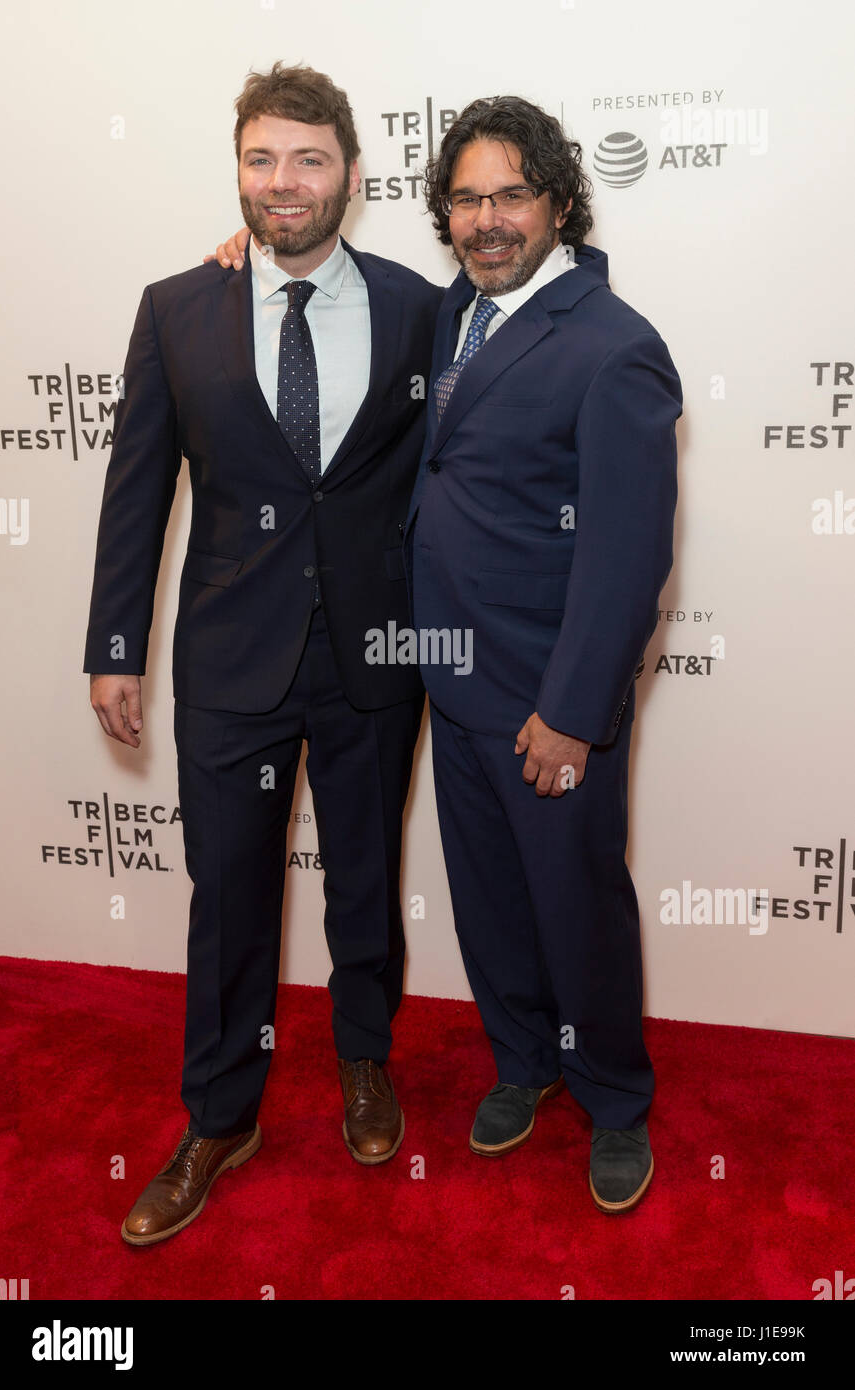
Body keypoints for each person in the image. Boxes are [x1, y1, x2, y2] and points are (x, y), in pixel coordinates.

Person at [84, 61, 441, 1246]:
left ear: (351, 172)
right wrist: (114, 644)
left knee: (362, 882)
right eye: (260, 160)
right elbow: (136, 491)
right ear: (236, 170)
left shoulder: (415, 307)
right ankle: (217, 1116)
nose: (283, 185)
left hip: (372, 653)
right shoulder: (176, 306)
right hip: (231, 655)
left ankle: (365, 1060)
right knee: (227, 895)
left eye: (308, 159)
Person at [404, 96, 681, 1213]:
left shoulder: (618, 348)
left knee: (575, 903)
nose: (488, 220)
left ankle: (614, 1096)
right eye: (467, 197)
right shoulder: (450, 319)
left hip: (550, 700)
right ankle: (524, 1063)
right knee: (487, 902)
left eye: (512, 193)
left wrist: (571, 711)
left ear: (560, 200)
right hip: (454, 682)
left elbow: (624, 557)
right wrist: (240, 259)